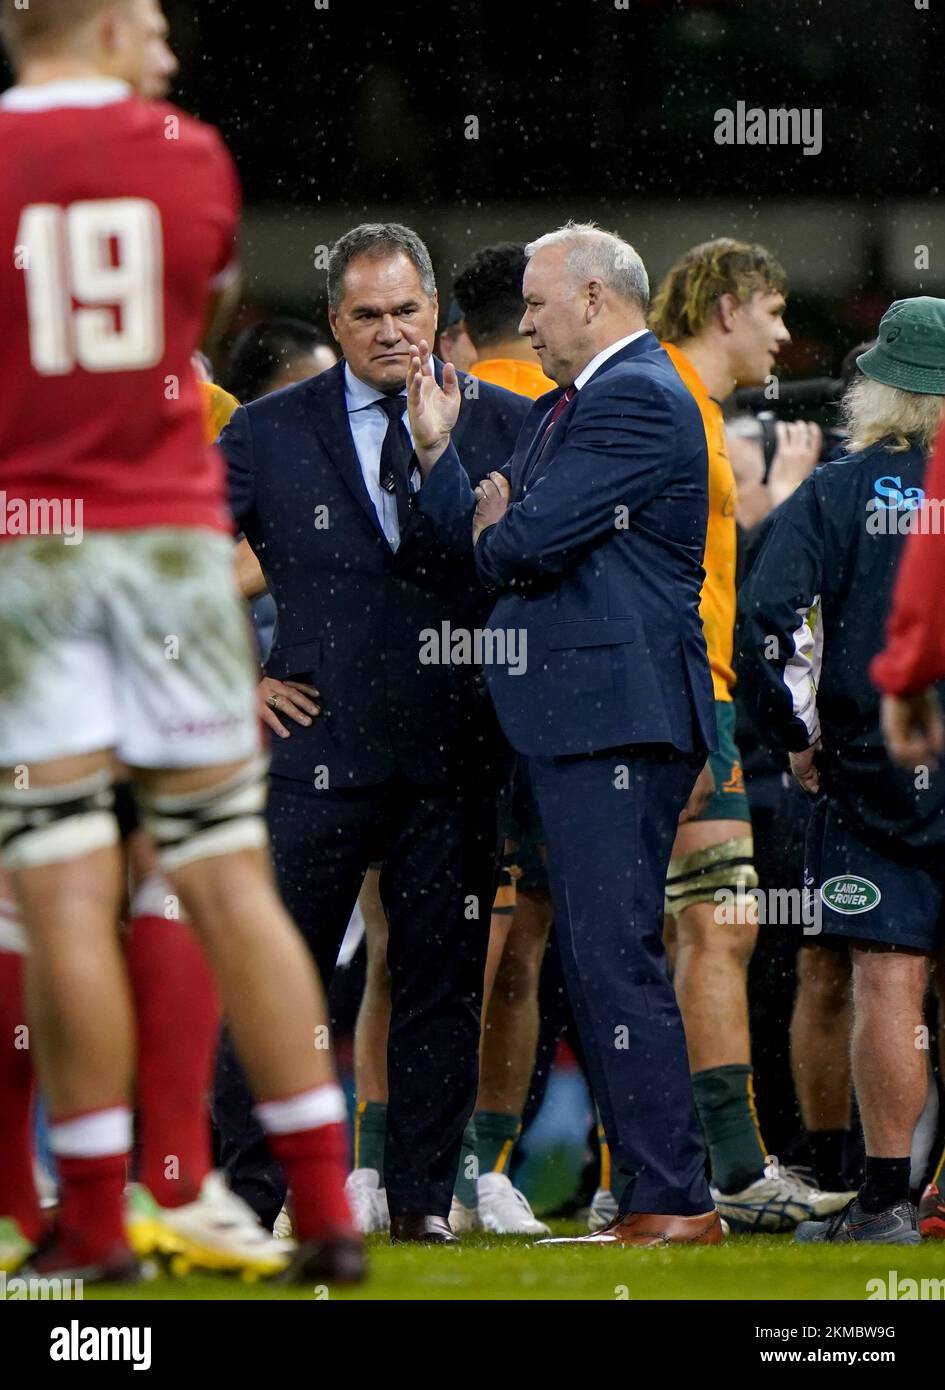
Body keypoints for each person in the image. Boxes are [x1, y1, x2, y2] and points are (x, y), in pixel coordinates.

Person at [0, 0, 359, 1284]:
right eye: (148, 23)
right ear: (98, 26)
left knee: (58, 889)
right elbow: (189, 321)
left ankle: (92, 1219)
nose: (166, 46)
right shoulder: (188, 155)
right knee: (219, 870)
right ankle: (321, 1204)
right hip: (169, 545)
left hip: (30, 547)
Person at [408, 220, 724, 1247]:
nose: (527, 323)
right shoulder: (583, 402)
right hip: (589, 714)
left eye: (538, 305)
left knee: (613, 954)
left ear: (593, 297)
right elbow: (514, 535)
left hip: (613, 718)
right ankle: (655, 1190)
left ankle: (673, 1196)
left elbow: (524, 541)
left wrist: (468, 484)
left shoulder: (632, 394)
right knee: (598, 955)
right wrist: (495, 510)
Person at [215, 222, 529, 1244]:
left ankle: (422, 1204)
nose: (391, 332)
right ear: (336, 320)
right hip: (317, 753)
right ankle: (249, 1198)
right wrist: (238, 678)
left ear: (436, 311)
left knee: (442, 982)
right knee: (275, 980)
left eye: (407, 311)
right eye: (367, 315)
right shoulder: (266, 430)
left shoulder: (509, 424)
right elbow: (172, 563)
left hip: (459, 748)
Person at [647, 238, 851, 1230]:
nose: (783, 335)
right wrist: (681, 714)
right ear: (727, 307)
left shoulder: (690, 410)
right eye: (772, 312)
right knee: (621, 942)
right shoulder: (664, 405)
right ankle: (668, 1175)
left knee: (716, 926)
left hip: (693, 703)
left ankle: (722, 1167)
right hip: (661, 710)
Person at [738, 296, 945, 1243]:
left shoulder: (835, 489)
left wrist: (798, 735)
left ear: (881, 389)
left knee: (887, 979)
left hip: (871, 766)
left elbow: (772, 621)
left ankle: (886, 1198)